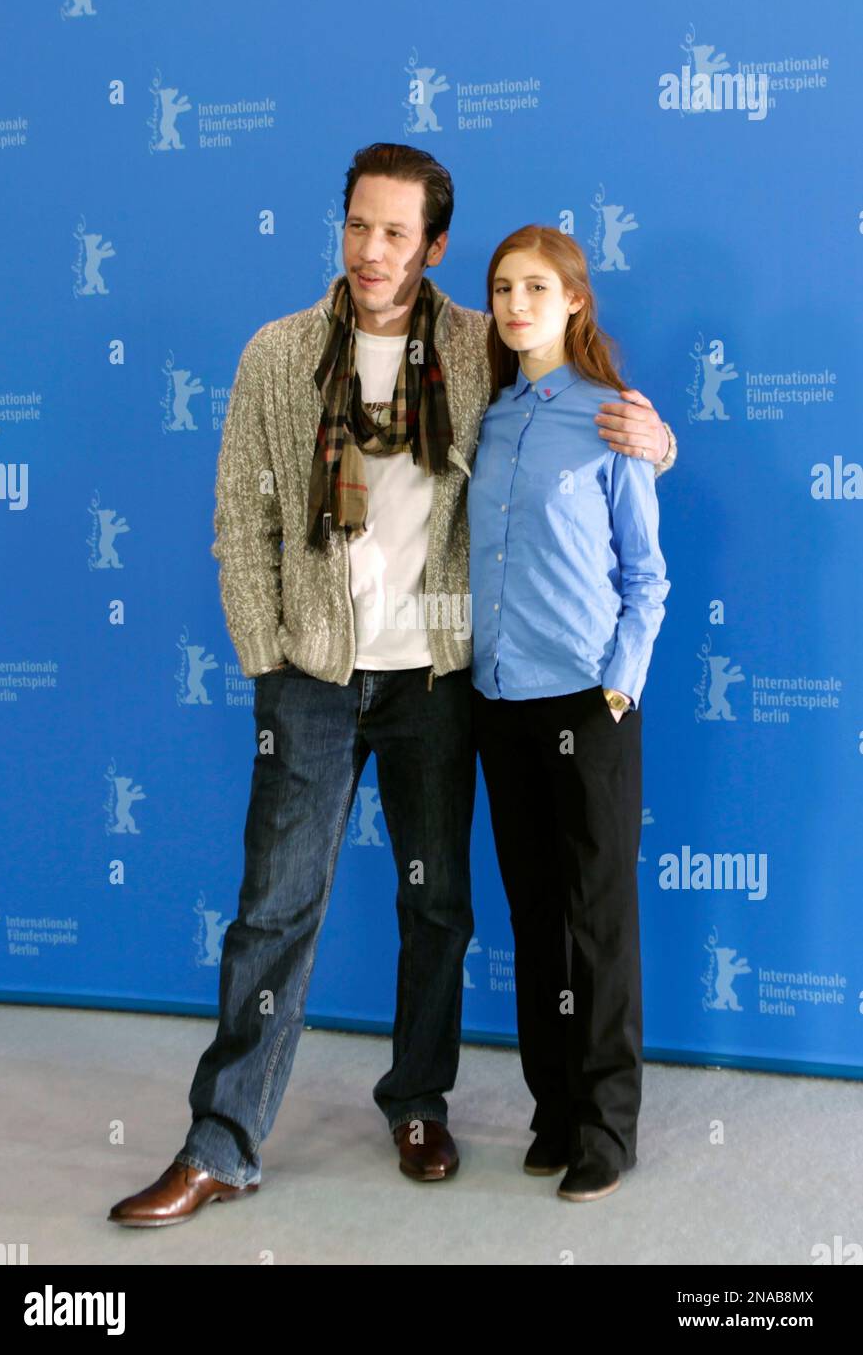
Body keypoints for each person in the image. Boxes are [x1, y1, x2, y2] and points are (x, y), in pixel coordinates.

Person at [108, 145, 676, 1228]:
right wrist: (267, 658)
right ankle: (221, 1140)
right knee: (274, 906)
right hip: (314, 679)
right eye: (357, 227)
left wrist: (658, 439)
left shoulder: (477, 345)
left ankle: (418, 1102)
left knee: (439, 905)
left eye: (396, 235)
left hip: (438, 680)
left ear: (433, 248)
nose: (372, 252)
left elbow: (585, 425)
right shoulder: (278, 355)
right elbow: (241, 518)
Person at [469, 225, 670, 1203]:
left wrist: (620, 682)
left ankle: (606, 1123)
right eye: (502, 287)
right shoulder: (489, 419)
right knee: (533, 917)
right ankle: (551, 1109)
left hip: (589, 703)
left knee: (598, 919)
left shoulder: (612, 421)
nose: (514, 305)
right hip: (500, 705)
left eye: (536, 288)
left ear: (574, 300)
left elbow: (646, 574)